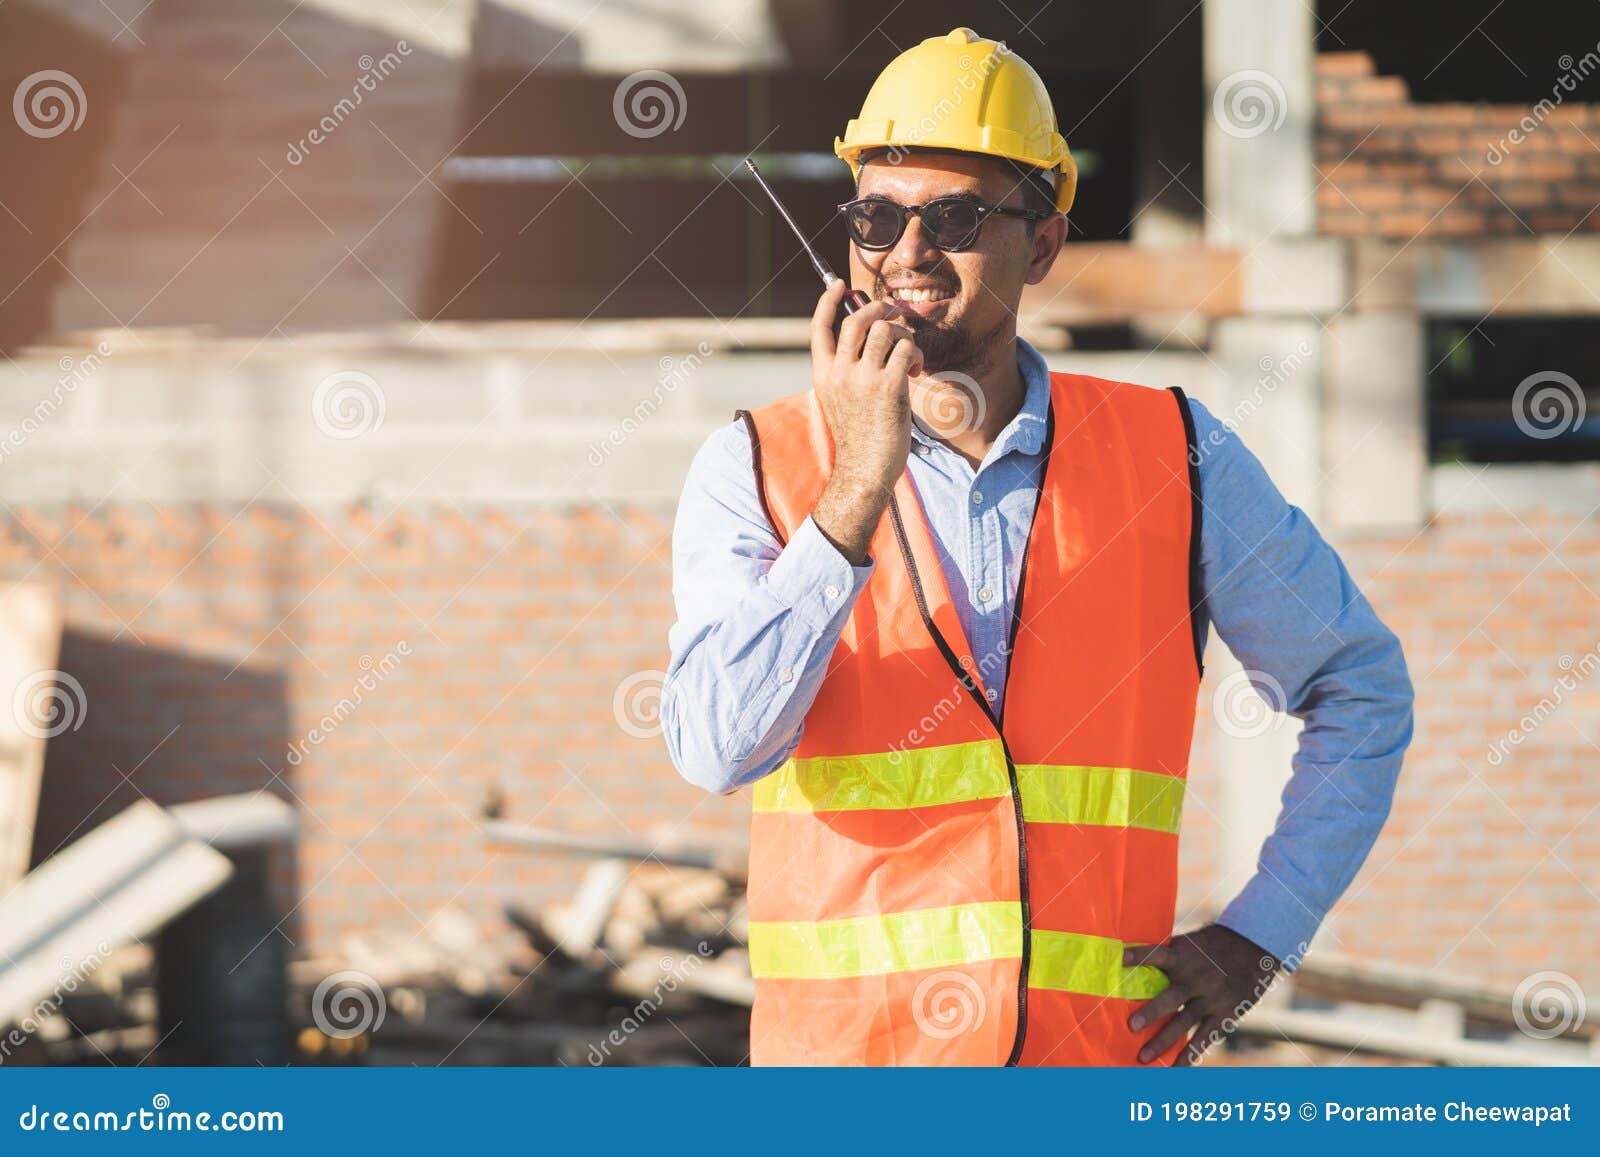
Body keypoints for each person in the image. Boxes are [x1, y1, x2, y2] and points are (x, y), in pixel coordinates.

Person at [662, 28, 1413, 1066]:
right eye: (877, 216)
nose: (908, 253)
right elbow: (714, 748)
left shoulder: (1174, 453)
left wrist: (1260, 931)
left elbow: (1358, 684)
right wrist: (854, 490)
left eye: (956, 217)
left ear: (1045, 244)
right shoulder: (758, 464)